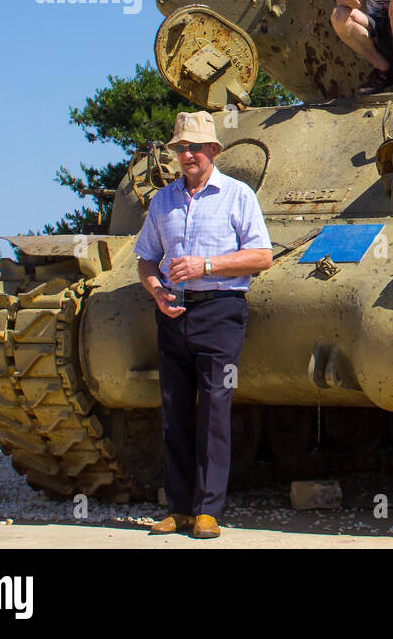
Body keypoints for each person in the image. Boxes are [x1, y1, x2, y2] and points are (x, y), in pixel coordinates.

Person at [134, 111, 272, 539]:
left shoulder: (237, 195)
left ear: (213, 151)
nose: (187, 155)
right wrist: (156, 290)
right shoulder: (163, 201)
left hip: (220, 311)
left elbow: (261, 255)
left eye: (195, 147)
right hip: (173, 313)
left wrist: (206, 265)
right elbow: (145, 258)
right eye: (181, 148)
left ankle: (208, 510)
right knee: (174, 411)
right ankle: (177, 507)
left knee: (214, 410)